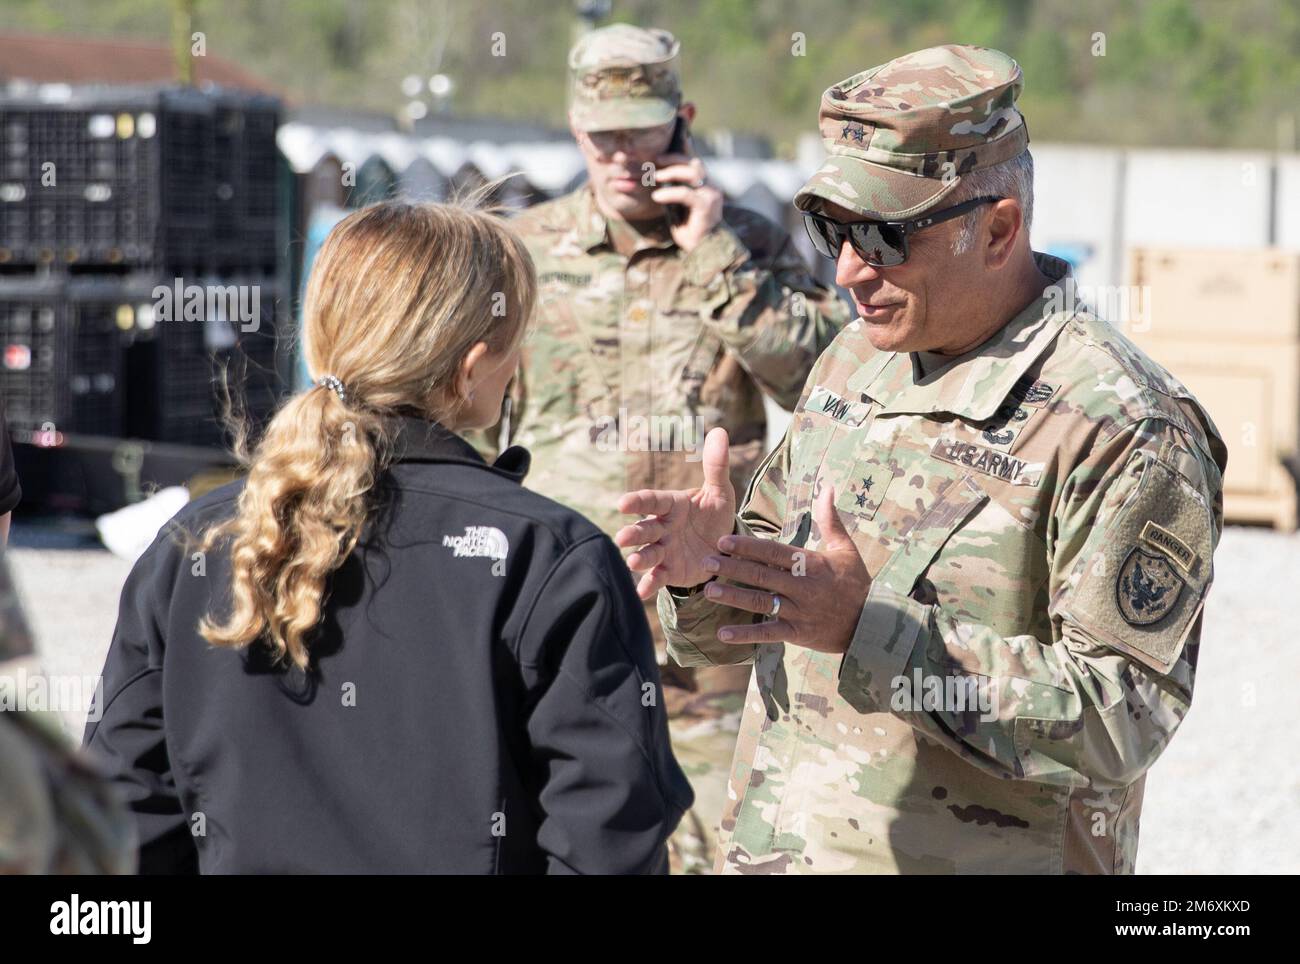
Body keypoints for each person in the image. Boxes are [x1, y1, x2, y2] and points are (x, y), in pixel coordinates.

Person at [616, 45, 1228, 874]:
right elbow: (750, 629)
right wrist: (708, 573)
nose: (847, 269)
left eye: (883, 235)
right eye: (831, 229)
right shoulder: (852, 361)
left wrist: (874, 631)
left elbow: (1124, 716)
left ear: (1000, 228)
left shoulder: (1124, 424)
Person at [83, 199, 692, 874]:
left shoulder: (191, 544)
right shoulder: (550, 557)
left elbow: (118, 828)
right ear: (473, 365)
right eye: (519, 340)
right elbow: (608, 844)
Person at [482, 22, 850, 873]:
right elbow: (473, 423)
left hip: (711, 607)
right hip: (567, 601)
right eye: (601, 136)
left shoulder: (749, 243)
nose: (621, 156)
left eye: (640, 133)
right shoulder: (523, 250)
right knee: (562, 829)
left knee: (730, 837)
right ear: (575, 131)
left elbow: (823, 384)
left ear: (680, 120)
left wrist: (715, 259)